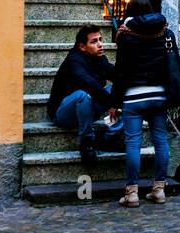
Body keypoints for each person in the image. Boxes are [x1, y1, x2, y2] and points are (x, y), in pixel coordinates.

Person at [110, 0, 174, 208]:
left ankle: (132, 194)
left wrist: (115, 100)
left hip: (134, 96)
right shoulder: (166, 32)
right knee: (161, 141)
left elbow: (120, 72)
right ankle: (159, 190)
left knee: (133, 143)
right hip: (158, 95)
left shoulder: (126, 36)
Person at [47, 25, 124, 164]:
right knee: (83, 95)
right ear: (82, 46)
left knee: (123, 87)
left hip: (88, 109)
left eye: (100, 39)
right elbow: (89, 84)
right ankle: (87, 143)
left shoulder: (100, 58)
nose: (100, 44)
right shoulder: (74, 61)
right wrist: (111, 103)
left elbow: (118, 75)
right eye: (94, 41)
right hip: (63, 114)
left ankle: (110, 137)